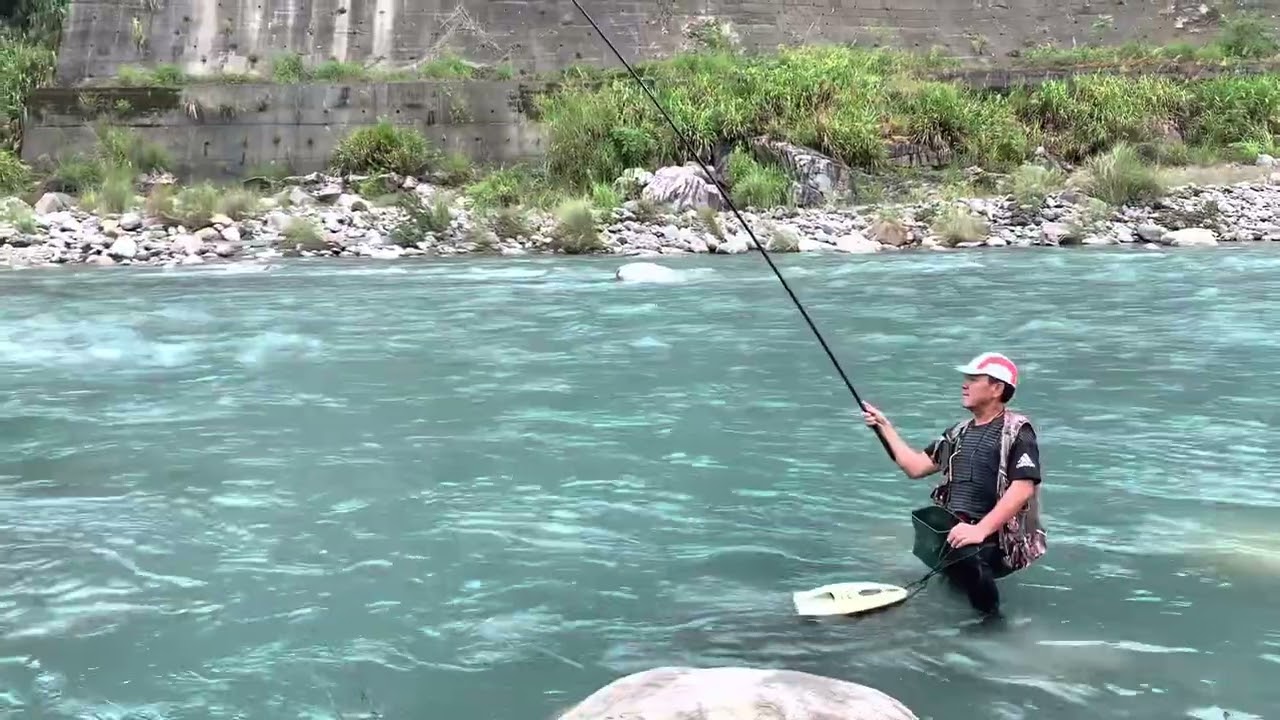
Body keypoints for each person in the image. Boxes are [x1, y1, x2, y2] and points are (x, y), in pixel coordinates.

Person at [861, 351, 1047, 616]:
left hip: (993, 541)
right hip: (957, 532)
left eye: (973, 378)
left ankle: (993, 625)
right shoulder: (957, 433)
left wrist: (980, 530)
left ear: (996, 388)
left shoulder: (1018, 431)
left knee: (971, 562)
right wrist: (883, 427)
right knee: (954, 564)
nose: (965, 383)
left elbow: (1023, 487)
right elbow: (914, 467)